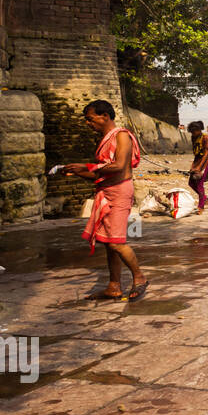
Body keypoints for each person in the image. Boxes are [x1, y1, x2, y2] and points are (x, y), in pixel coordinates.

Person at [64, 100, 148, 302]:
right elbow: (100, 175)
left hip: (119, 192)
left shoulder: (121, 136)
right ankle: (114, 286)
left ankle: (140, 277)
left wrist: (87, 166)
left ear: (105, 116)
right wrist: (78, 172)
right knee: (108, 242)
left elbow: (118, 166)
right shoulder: (105, 139)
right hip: (106, 191)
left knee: (116, 243)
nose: (88, 123)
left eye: (90, 119)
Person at [186, 121, 208, 214]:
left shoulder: (205, 137)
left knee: (200, 184)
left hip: (206, 162)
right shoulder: (193, 137)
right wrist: (193, 166)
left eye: (194, 131)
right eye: (191, 132)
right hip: (198, 161)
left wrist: (199, 168)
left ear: (199, 130)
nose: (193, 133)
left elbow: (206, 153)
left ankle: (201, 207)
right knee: (191, 183)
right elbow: (196, 153)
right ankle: (205, 199)